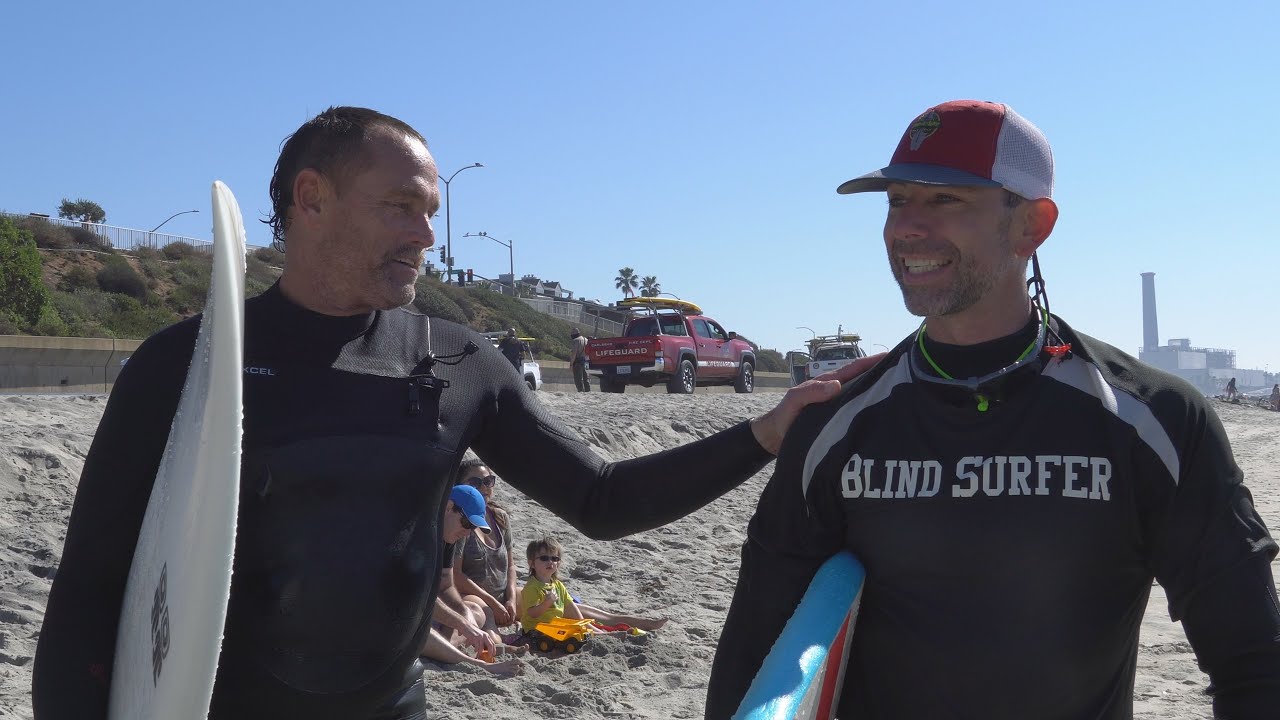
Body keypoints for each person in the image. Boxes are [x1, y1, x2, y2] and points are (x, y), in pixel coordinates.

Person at [33, 105, 877, 720]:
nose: (426, 234)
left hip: (391, 705)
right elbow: (92, 587)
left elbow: (604, 502)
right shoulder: (186, 364)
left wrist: (768, 431)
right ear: (311, 196)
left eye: (432, 210)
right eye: (402, 206)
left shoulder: (460, 359)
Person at [706, 100, 1280, 719]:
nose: (907, 227)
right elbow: (755, 649)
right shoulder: (836, 424)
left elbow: (1252, 658)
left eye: (946, 200)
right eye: (898, 200)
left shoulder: (1154, 420)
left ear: (1031, 225)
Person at [517, 536, 667, 636]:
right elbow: (532, 614)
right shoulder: (532, 587)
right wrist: (546, 603)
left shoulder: (557, 585)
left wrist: (585, 624)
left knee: (586, 624)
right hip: (536, 630)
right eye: (544, 558)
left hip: (553, 625)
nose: (551, 562)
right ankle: (605, 634)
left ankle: (613, 631)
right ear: (531, 563)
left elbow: (571, 607)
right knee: (577, 631)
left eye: (555, 558)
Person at [445, 459, 519, 643]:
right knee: (485, 614)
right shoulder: (461, 522)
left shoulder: (499, 517)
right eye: (475, 483)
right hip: (475, 595)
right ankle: (499, 641)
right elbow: (455, 575)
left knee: (548, 599)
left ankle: (602, 622)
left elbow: (511, 566)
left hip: (501, 594)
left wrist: (511, 599)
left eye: (488, 481)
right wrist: (492, 603)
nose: (484, 487)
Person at [569, 327, 590, 392]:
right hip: (586, 362)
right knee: (586, 379)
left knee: (578, 379)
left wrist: (571, 364)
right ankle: (588, 391)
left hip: (578, 362)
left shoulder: (576, 340)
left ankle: (581, 392)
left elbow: (574, 353)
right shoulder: (586, 339)